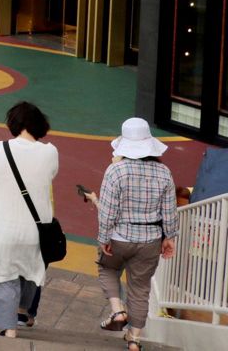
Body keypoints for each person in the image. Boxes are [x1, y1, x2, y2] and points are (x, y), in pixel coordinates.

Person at [85, 118, 178, 351]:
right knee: (140, 288)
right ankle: (134, 339)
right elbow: (169, 211)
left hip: (119, 237)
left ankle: (117, 311)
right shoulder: (164, 172)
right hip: (150, 240)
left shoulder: (116, 171)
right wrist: (170, 237)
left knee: (107, 268)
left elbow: (107, 211)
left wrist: (103, 238)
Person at [0, 101, 58, 339]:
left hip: (2, 228)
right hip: (34, 232)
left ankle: (8, 327)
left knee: (2, 276)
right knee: (28, 271)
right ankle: (21, 311)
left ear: (15, 123)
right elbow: (50, 174)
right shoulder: (50, 152)